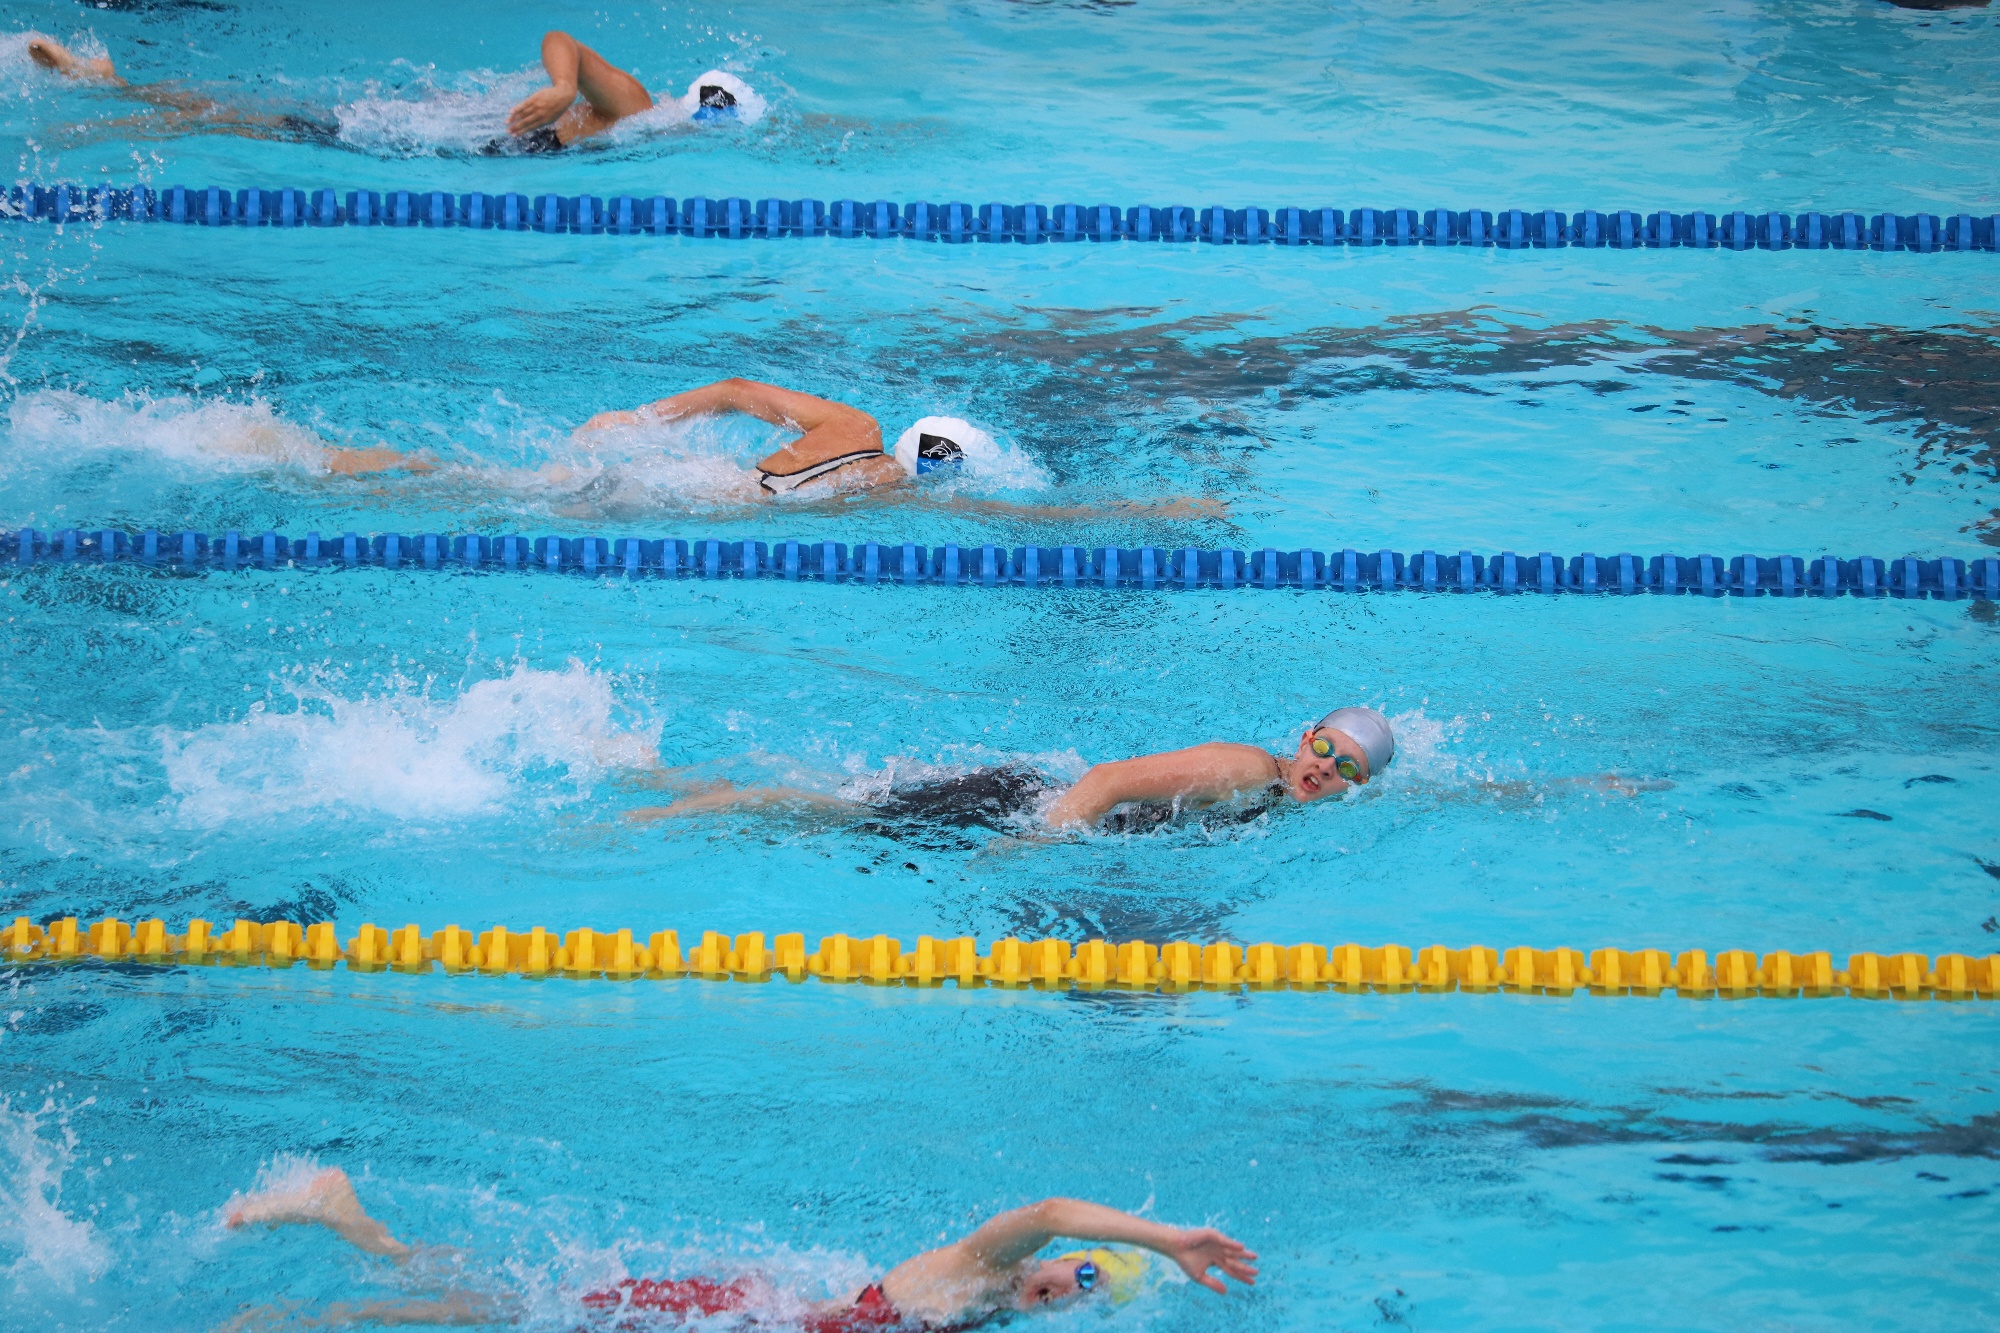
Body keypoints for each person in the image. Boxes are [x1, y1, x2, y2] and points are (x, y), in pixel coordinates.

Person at [222, 1166, 1257, 1329]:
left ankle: (335, 1293)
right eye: (1068, 1274)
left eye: (1075, 1295)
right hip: (718, 1317)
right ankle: (345, 1229)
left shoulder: (982, 1307)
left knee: (510, 1310)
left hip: (736, 1310)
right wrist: (1163, 1241)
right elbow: (1052, 1202)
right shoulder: (975, 1270)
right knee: (508, 1309)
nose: (1056, 1286)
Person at [629, 706, 1396, 833]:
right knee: (837, 818)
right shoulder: (1243, 768)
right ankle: (693, 803)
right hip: (1017, 805)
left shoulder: (1281, 797)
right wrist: (1040, 840)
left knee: (841, 805)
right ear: (1306, 737)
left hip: (1026, 801)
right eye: (1326, 751)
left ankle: (671, 782)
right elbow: (1106, 779)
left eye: (1348, 773)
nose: (1326, 771)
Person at [23, 31, 748, 153]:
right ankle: (113, 89)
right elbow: (566, 41)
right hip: (439, 136)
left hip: (458, 136)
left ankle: (119, 93)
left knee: (260, 124)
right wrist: (562, 87)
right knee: (249, 125)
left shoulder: (646, 133)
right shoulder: (640, 108)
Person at [578, 377, 985, 498]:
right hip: (683, 505)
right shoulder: (899, 500)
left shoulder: (856, 428)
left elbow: (734, 388)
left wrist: (640, 419)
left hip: (687, 479)